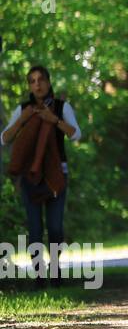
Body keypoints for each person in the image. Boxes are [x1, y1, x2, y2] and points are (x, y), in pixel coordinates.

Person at [4, 65, 81, 285]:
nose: (37, 84)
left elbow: (76, 134)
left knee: (55, 227)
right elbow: (4, 138)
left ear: (48, 82)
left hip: (57, 175)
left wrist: (53, 120)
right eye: (32, 81)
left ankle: (55, 273)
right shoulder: (23, 109)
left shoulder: (61, 107)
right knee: (35, 229)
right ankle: (39, 276)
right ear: (29, 85)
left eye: (40, 80)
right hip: (30, 177)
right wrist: (22, 120)